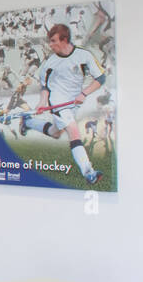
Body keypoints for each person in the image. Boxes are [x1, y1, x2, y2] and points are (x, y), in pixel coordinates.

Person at [14, 23, 108, 184]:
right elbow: (45, 86)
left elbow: (101, 78)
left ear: (65, 40)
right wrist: (42, 102)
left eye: (53, 41)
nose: (50, 45)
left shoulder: (84, 56)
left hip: (75, 102)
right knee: (73, 132)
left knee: (55, 132)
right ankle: (89, 172)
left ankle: (28, 122)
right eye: (49, 41)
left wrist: (84, 93)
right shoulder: (50, 63)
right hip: (58, 101)